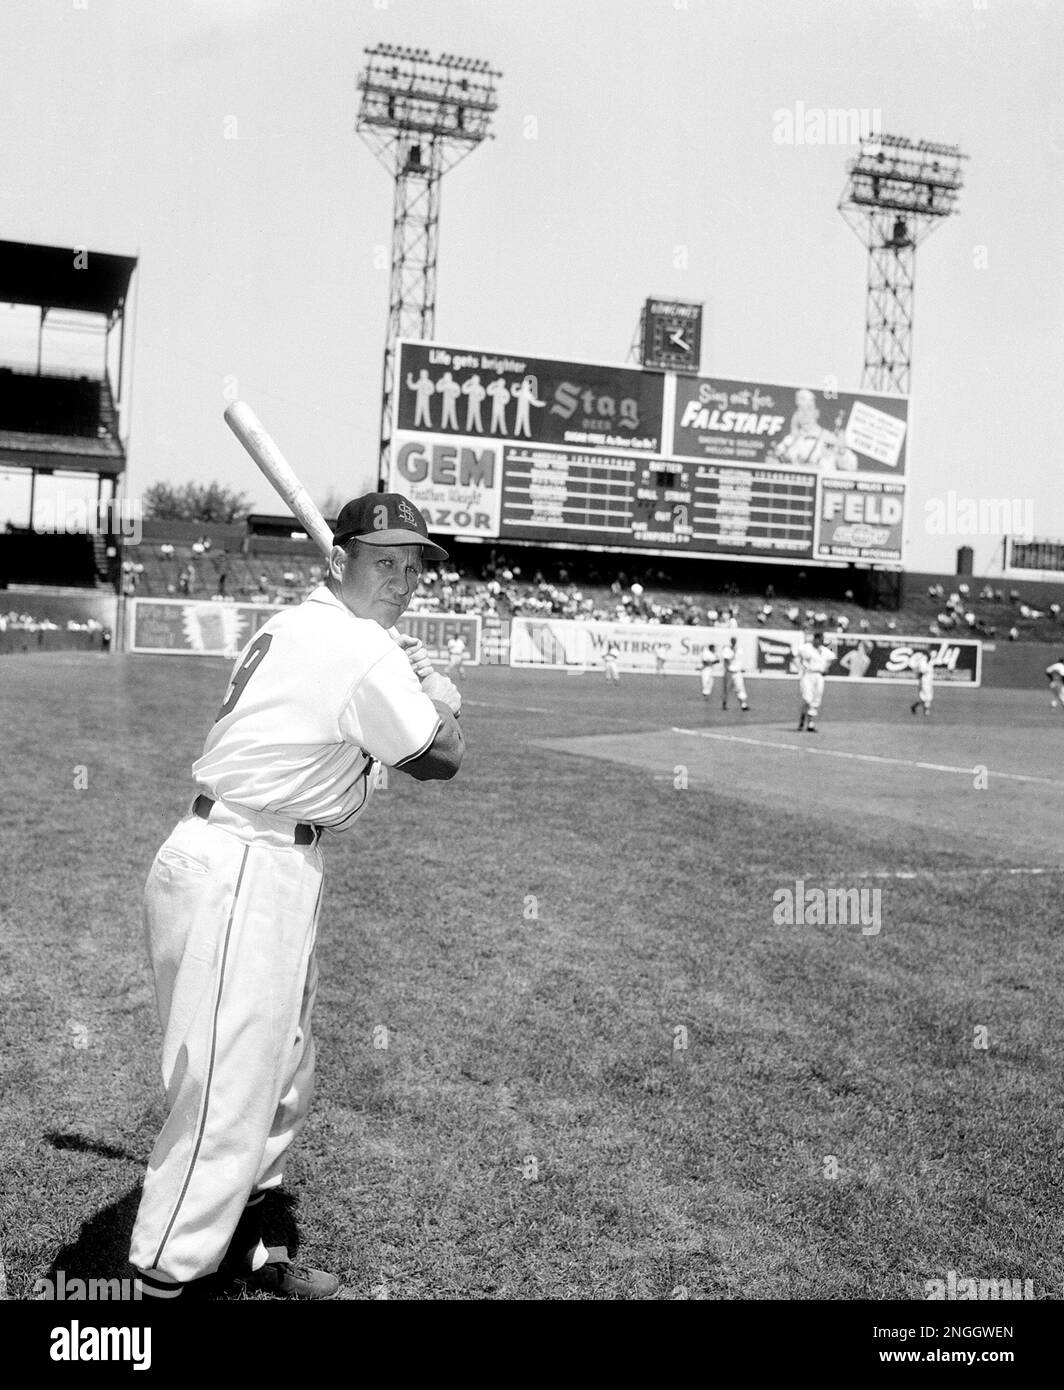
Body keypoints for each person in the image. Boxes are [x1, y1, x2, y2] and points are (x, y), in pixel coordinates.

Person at [128, 492, 463, 1301]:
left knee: (279, 1071)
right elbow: (438, 757)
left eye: (414, 564)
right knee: (226, 1093)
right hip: (245, 863)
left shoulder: (305, 625)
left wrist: (393, 661)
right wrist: (442, 693)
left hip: (261, 857)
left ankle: (257, 1253)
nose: (405, 577)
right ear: (336, 560)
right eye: (384, 560)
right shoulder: (354, 646)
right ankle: (155, 1291)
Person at [794, 630, 833, 732]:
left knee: (816, 698)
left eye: (822, 640)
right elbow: (796, 658)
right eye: (819, 639)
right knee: (807, 698)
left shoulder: (824, 651)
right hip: (808, 675)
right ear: (815, 639)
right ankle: (802, 718)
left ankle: (811, 723)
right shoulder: (806, 648)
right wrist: (801, 669)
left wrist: (826, 668)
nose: (820, 642)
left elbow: (830, 660)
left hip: (819, 676)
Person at [721, 640, 749, 712]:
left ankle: (743, 705)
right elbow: (727, 660)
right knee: (727, 689)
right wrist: (733, 653)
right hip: (729, 672)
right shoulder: (727, 650)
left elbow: (739, 661)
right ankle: (724, 703)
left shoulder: (739, 650)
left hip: (737, 673)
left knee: (740, 688)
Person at [910, 649, 934, 717]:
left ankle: (914, 706)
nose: (930, 656)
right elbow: (922, 671)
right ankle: (926, 711)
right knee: (927, 697)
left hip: (928, 681)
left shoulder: (928, 662)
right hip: (925, 682)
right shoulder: (923, 661)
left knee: (924, 698)